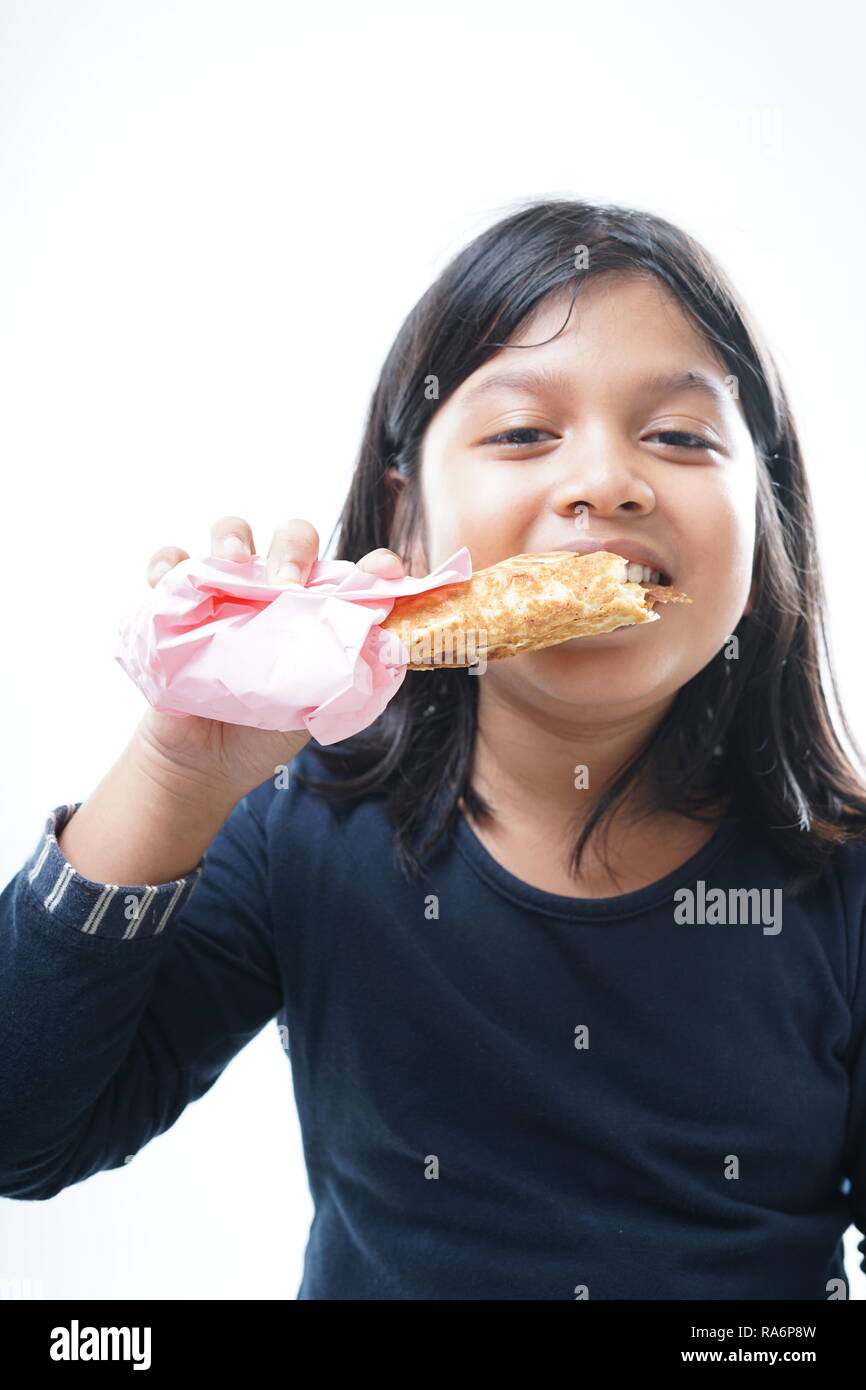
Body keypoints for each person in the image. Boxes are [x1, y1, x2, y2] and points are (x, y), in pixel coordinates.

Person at [2, 198, 866, 1300]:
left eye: (680, 436)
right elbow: (23, 1132)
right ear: (406, 523)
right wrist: (178, 769)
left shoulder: (837, 883)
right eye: (520, 433)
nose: (605, 480)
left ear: (766, 518)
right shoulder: (305, 830)